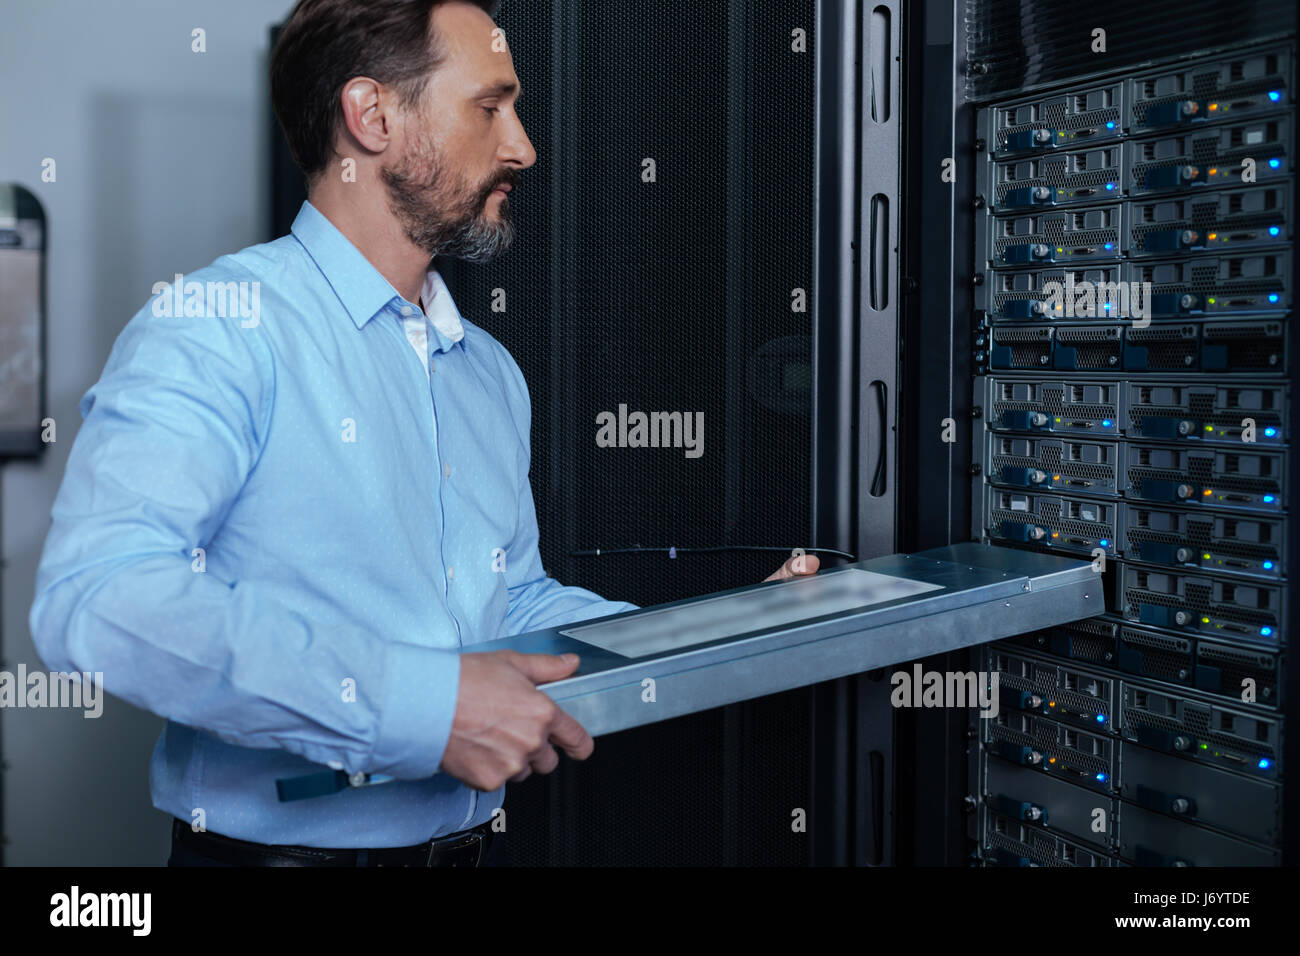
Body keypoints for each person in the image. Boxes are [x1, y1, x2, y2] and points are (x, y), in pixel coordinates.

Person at [28, 0, 819, 868]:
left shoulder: (485, 369)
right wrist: (421, 709)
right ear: (371, 117)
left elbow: (508, 604)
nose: (523, 147)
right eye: (490, 107)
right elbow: (98, 601)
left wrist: (718, 633)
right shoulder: (219, 325)